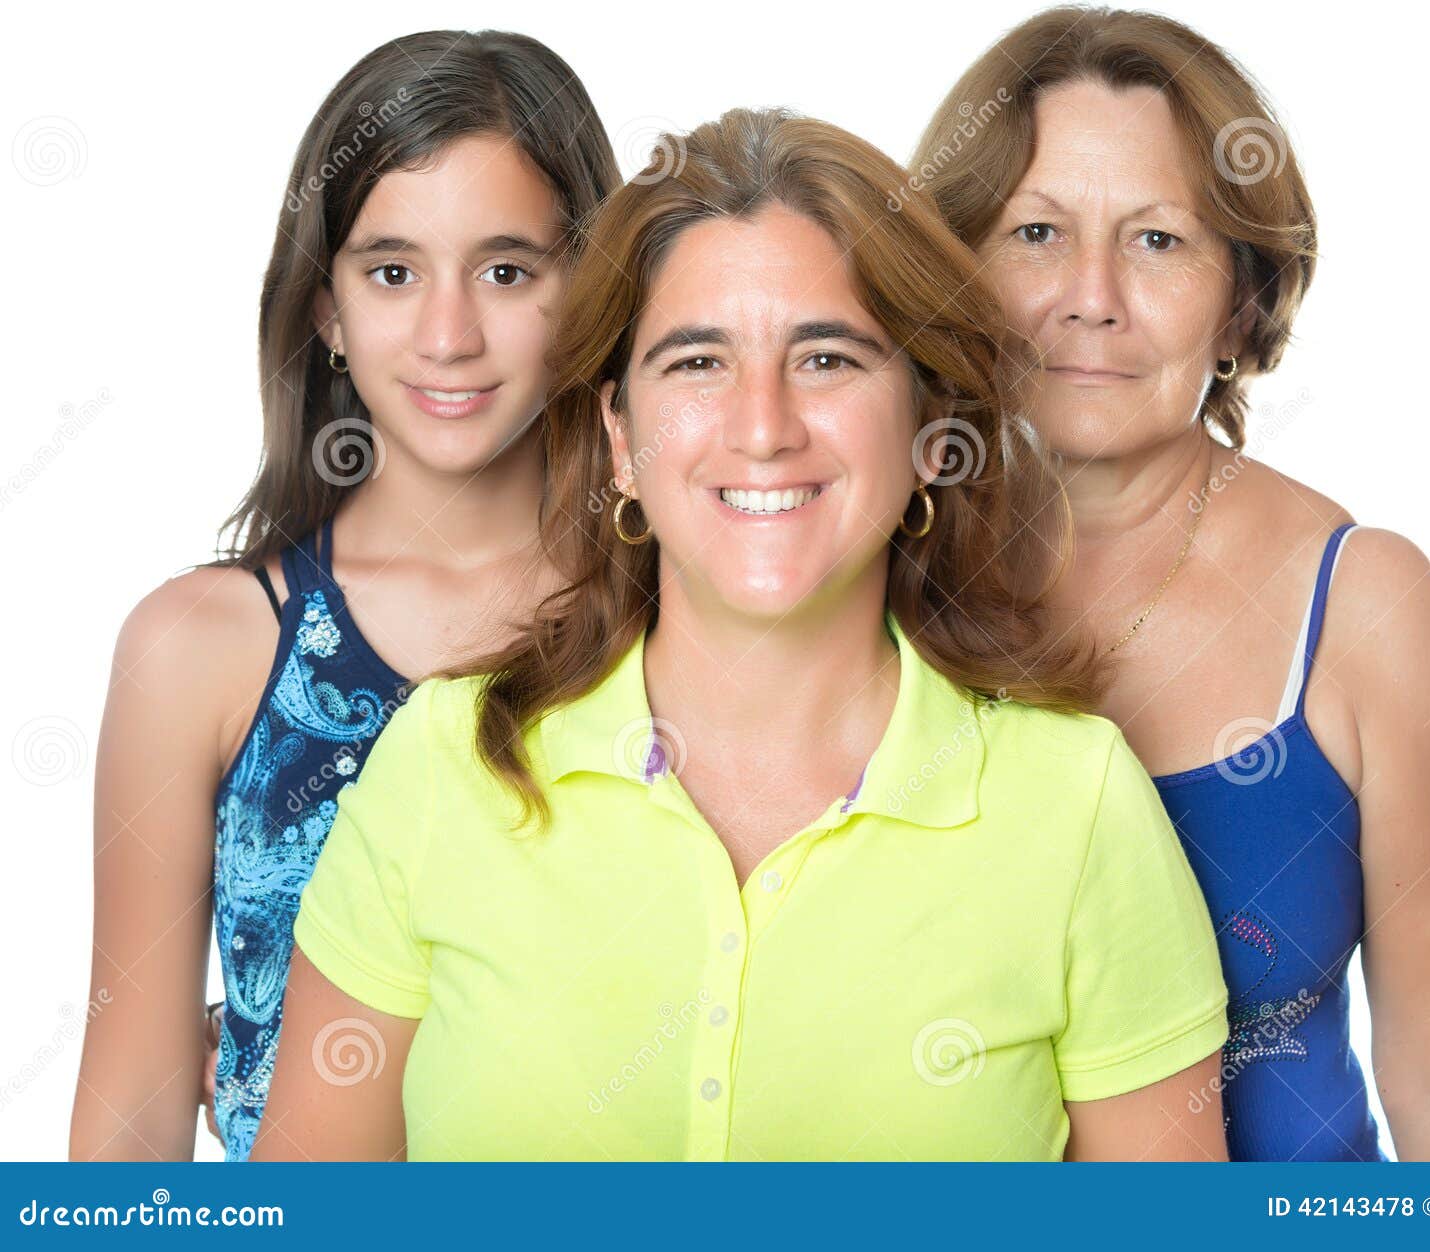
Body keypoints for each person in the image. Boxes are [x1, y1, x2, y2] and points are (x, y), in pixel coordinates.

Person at [251, 107, 1231, 1162]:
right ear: (620, 441)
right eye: (696, 364)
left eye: (826, 359)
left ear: (929, 432)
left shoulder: (1076, 803)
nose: (763, 426)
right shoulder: (445, 760)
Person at [911, 6, 1430, 1160]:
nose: (1090, 295)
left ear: (1241, 299)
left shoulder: (1363, 606)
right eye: (1035, 233)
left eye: (1158, 241)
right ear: (953, 270)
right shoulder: (867, 579)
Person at [69, 29, 619, 1161]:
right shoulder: (200, 650)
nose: (449, 334)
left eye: (508, 270)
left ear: (588, 292)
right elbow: (129, 1122)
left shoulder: (683, 619)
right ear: (325, 310)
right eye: (392, 271)